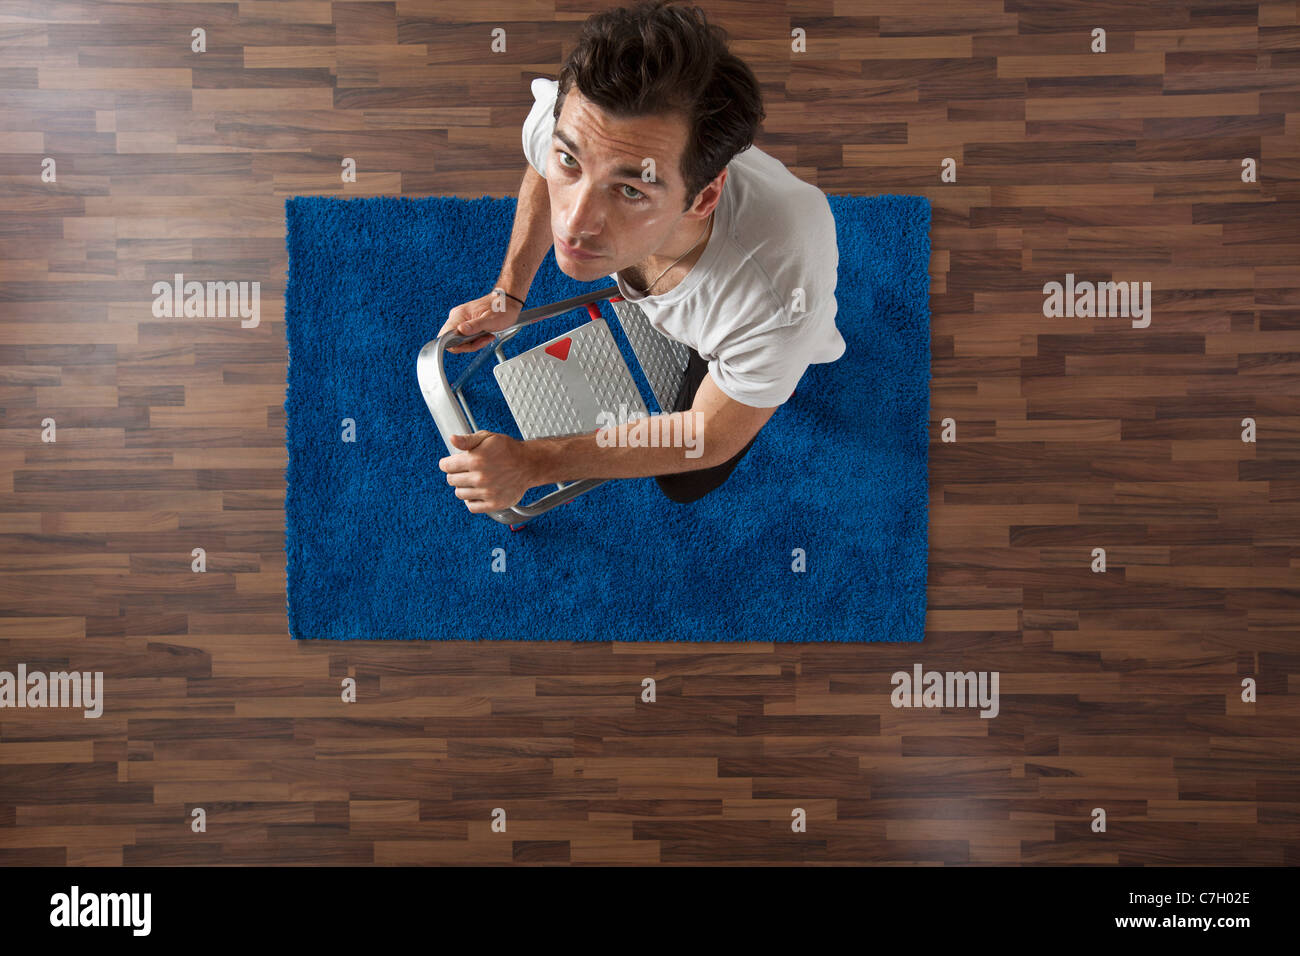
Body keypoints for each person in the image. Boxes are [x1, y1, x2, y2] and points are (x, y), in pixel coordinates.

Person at [437, 0, 844, 513]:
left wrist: (535, 463)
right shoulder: (577, 118)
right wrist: (510, 289)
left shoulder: (774, 302)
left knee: (683, 483)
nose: (574, 223)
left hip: (751, 315)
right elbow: (545, 163)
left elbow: (707, 437)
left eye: (630, 190)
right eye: (573, 161)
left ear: (702, 198)